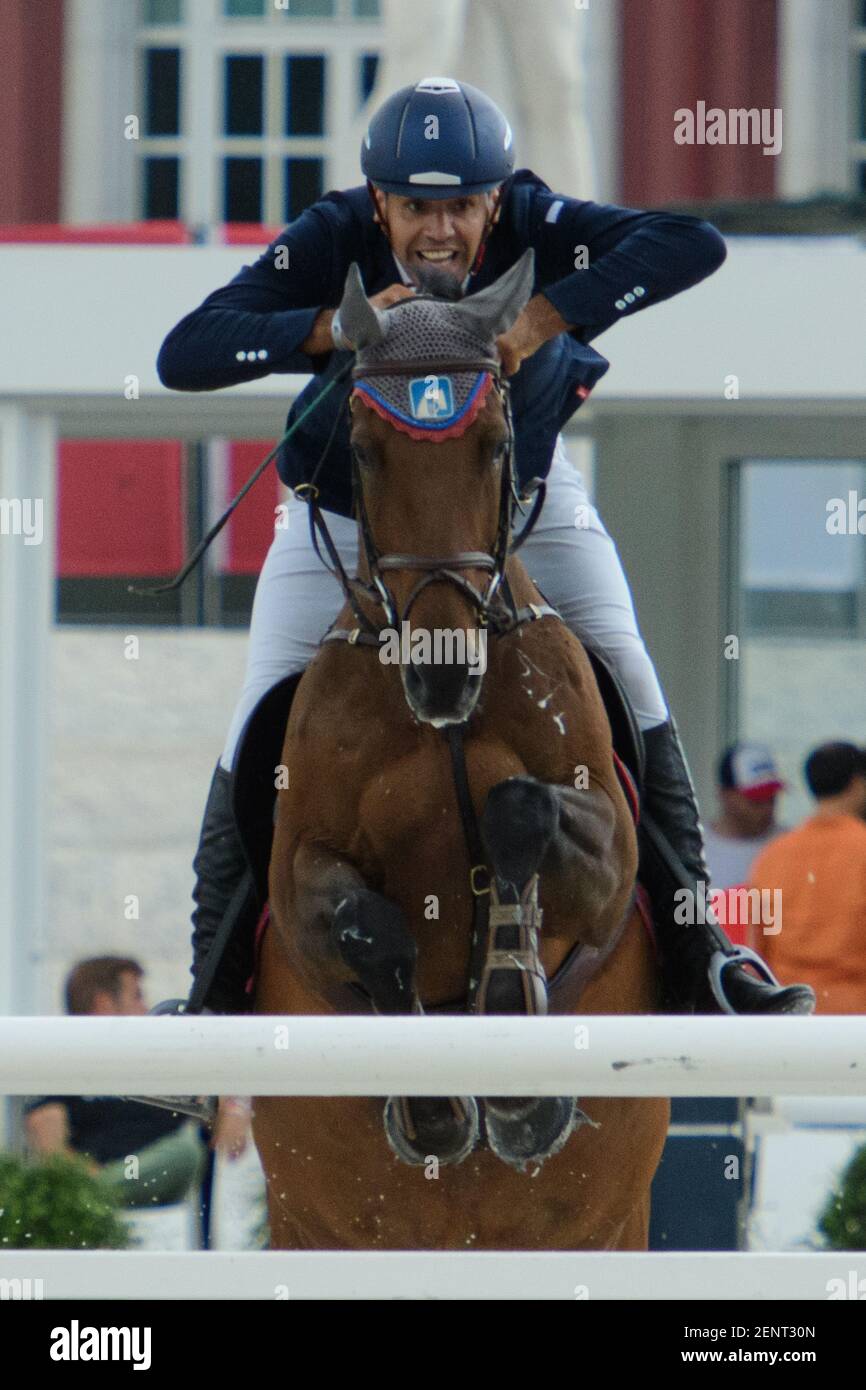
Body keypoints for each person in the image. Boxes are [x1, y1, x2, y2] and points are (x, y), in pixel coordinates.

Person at [156, 77, 814, 1018]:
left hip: (520, 506)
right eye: (414, 207)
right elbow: (186, 352)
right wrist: (326, 328)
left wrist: (543, 316)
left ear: (494, 202)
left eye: (461, 207)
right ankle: (212, 995)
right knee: (256, 713)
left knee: (630, 672)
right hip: (344, 519)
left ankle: (702, 950)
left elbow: (693, 243)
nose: (439, 232)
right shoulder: (330, 236)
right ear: (377, 201)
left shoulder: (539, 223)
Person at [23, 958, 248, 1207]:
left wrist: (232, 1109)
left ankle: (95, 1196)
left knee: (184, 1150)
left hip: (155, 1176)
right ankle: (98, 1193)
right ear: (104, 1004)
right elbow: (47, 1136)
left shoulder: (159, 1059)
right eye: (137, 996)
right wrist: (86, 1174)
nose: (146, 1008)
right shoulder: (65, 1064)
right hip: (97, 1176)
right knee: (184, 1150)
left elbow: (210, 1097)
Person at [749, 743, 866, 1013]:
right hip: (855, 1015)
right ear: (857, 783)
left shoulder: (772, 855)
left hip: (791, 1011)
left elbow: (757, 949)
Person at [703, 743, 787, 890]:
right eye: (756, 800)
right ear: (725, 795)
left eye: (772, 798)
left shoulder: (791, 845)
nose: (767, 808)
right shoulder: (693, 850)